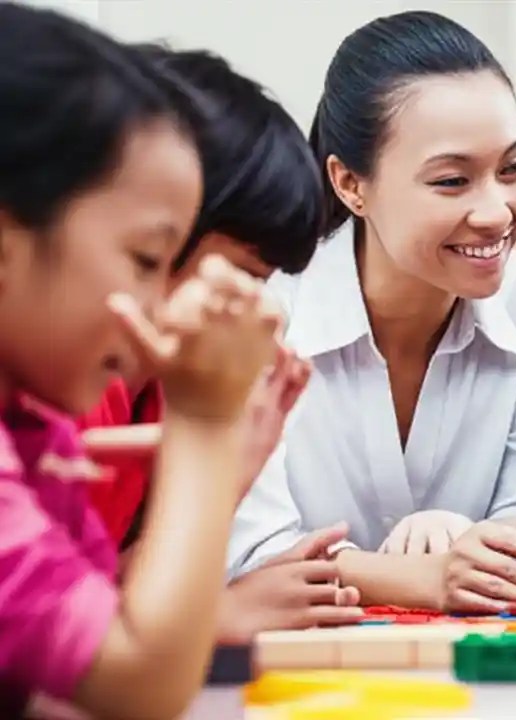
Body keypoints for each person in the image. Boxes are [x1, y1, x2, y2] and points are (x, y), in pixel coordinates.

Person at [228, 10, 516, 614]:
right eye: (451, 181)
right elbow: (255, 558)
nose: (496, 212)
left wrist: (468, 549)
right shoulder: (265, 313)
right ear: (350, 184)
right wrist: (429, 577)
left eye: (512, 168)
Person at [0, 5, 280, 717]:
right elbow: (139, 681)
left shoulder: (36, 428)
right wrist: (205, 425)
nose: (164, 307)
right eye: (150, 260)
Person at [75, 47, 364, 642]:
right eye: (244, 275)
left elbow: (107, 578)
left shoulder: (164, 387)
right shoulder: (76, 382)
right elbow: (63, 626)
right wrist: (213, 617)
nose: (261, 309)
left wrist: (224, 468)